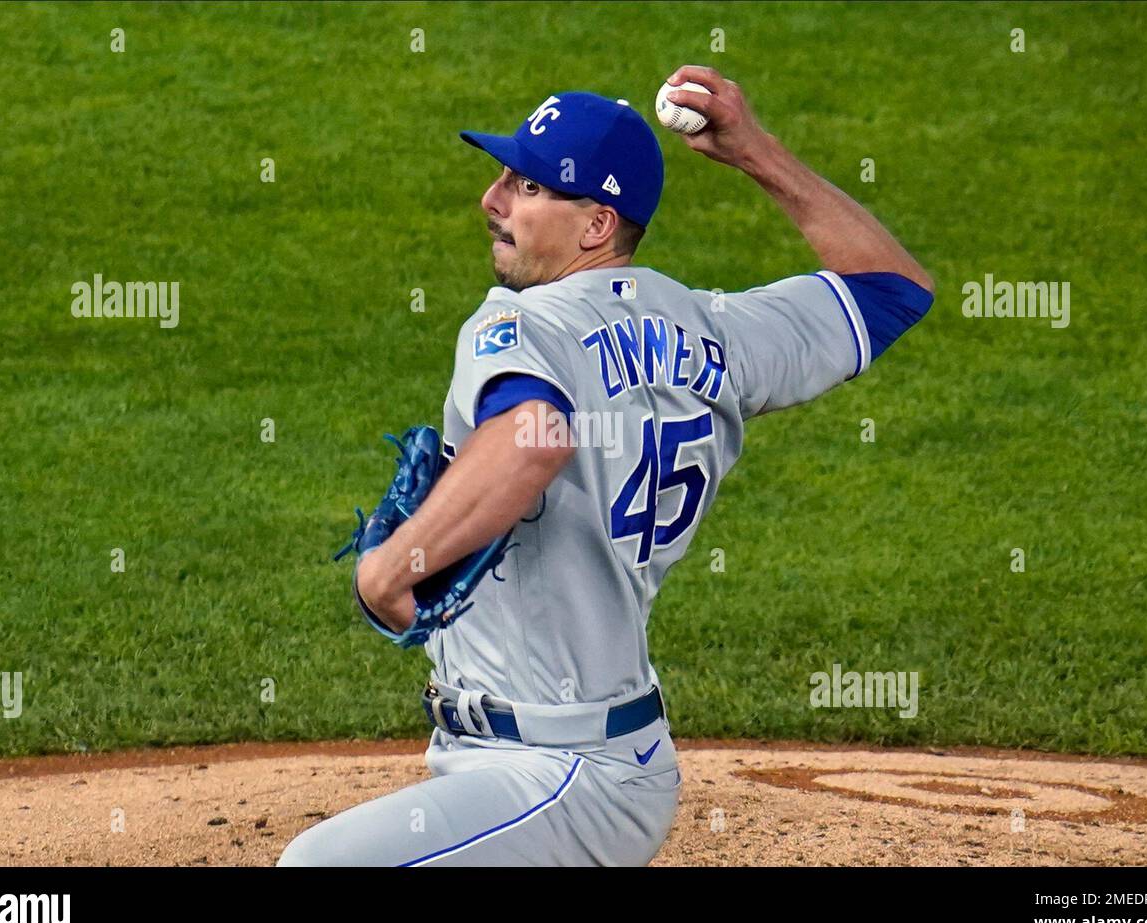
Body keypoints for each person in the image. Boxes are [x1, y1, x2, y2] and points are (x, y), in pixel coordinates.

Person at [278, 65, 934, 867]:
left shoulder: (522, 324)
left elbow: (535, 435)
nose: (491, 200)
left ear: (596, 225)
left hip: (561, 770)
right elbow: (891, 287)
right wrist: (756, 152)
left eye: (527, 186)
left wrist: (393, 567)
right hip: (599, 750)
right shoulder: (714, 330)